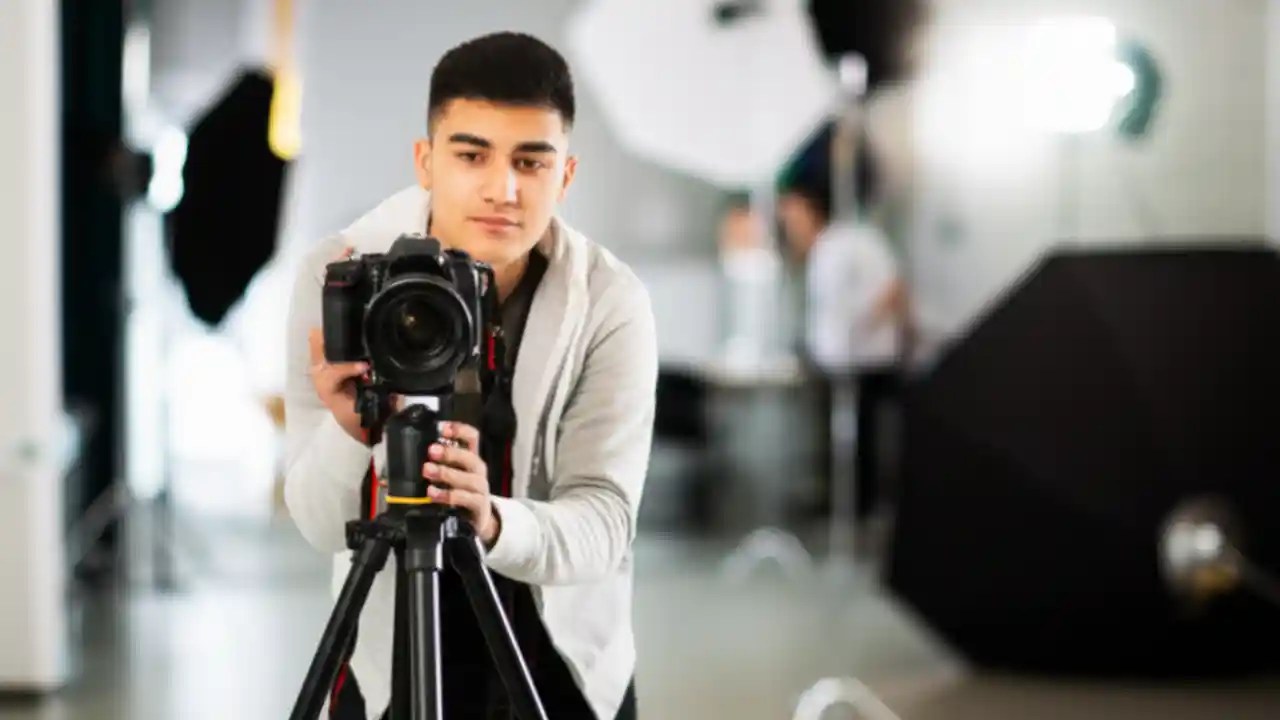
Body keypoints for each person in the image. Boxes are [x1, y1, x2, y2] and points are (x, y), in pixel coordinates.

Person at [284, 32, 656, 720]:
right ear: (426, 161)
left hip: (557, 654)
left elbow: (606, 523)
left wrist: (493, 520)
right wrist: (346, 433)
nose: (502, 189)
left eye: (531, 162)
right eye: (471, 155)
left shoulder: (608, 301)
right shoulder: (339, 276)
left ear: (566, 175)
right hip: (388, 645)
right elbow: (316, 524)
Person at [775, 120, 908, 520]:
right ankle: (838, 502)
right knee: (835, 442)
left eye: (793, 213)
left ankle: (859, 509)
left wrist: (859, 326)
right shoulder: (821, 250)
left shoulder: (857, 240)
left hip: (865, 363)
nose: (789, 223)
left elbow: (893, 291)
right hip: (834, 364)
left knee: (859, 443)